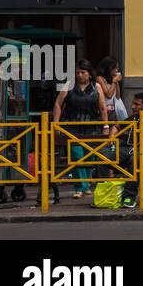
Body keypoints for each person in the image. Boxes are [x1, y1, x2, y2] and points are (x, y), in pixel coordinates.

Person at [53, 60, 105, 198]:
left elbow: (102, 108)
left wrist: (106, 126)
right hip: (72, 127)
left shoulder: (96, 87)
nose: (80, 75)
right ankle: (80, 188)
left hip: (92, 127)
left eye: (83, 72)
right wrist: (56, 124)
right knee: (77, 156)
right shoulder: (69, 85)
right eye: (77, 73)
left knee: (90, 157)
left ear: (89, 74)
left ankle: (85, 185)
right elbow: (58, 104)